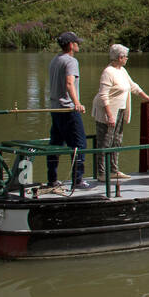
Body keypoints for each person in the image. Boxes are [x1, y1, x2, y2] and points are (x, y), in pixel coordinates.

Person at [92, 44, 149, 181]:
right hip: (107, 111)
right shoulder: (108, 72)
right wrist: (110, 115)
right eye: (126, 56)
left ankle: (114, 170)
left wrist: (148, 98)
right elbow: (104, 95)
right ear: (120, 57)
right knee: (105, 141)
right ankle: (102, 173)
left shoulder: (122, 70)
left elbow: (133, 86)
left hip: (120, 110)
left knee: (117, 141)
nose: (127, 59)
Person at [47, 31, 91, 190]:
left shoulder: (55, 60)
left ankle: (52, 179)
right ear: (71, 45)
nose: (78, 45)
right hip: (67, 109)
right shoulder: (71, 61)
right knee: (80, 144)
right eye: (77, 43)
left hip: (55, 108)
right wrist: (77, 103)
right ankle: (77, 180)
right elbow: (69, 83)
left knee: (55, 145)